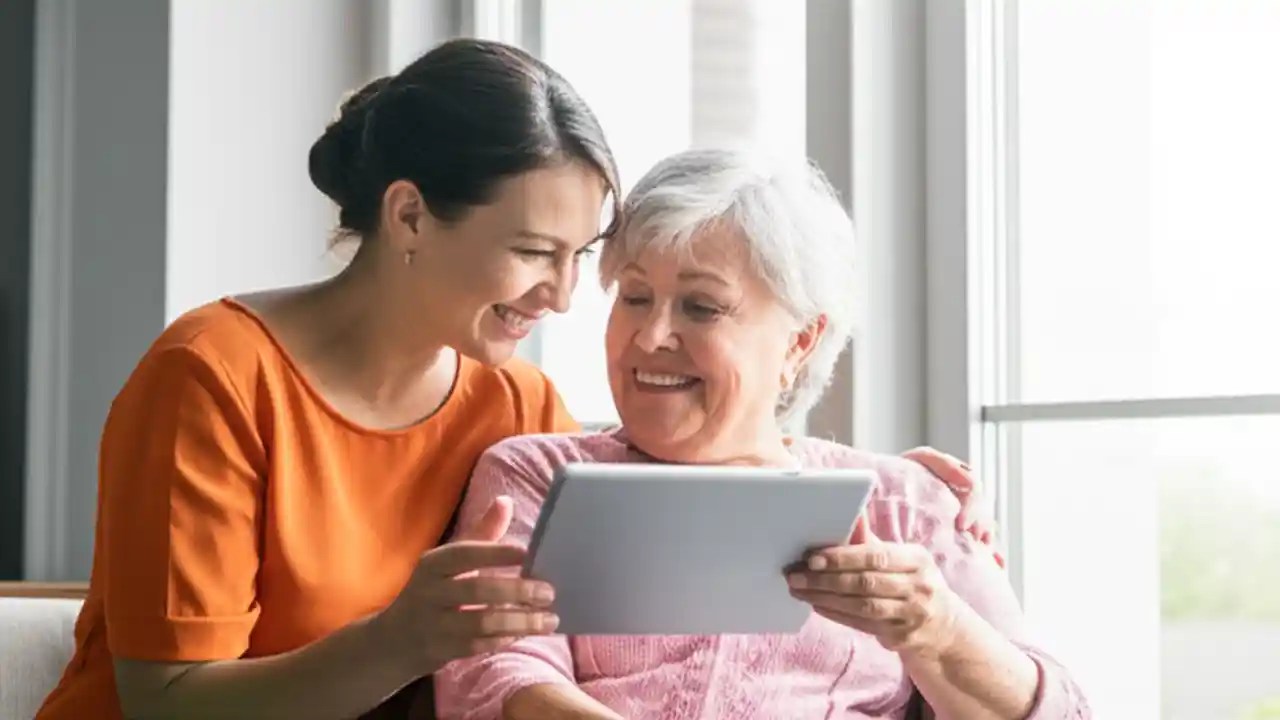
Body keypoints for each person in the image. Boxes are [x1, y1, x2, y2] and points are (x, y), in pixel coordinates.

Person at [35, 39, 990, 720]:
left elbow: (669, 507)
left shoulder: (513, 405)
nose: (568, 297)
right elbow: (163, 703)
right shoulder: (215, 376)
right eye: (536, 252)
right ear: (408, 216)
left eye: (582, 257)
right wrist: (402, 641)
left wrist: (865, 491)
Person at [433, 149, 1090, 720]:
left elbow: (1058, 711)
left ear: (799, 343)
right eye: (634, 297)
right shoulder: (538, 476)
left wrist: (937, 627)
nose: (651, 336)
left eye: (702, 307)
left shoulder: (904, 504)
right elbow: (499, 676)